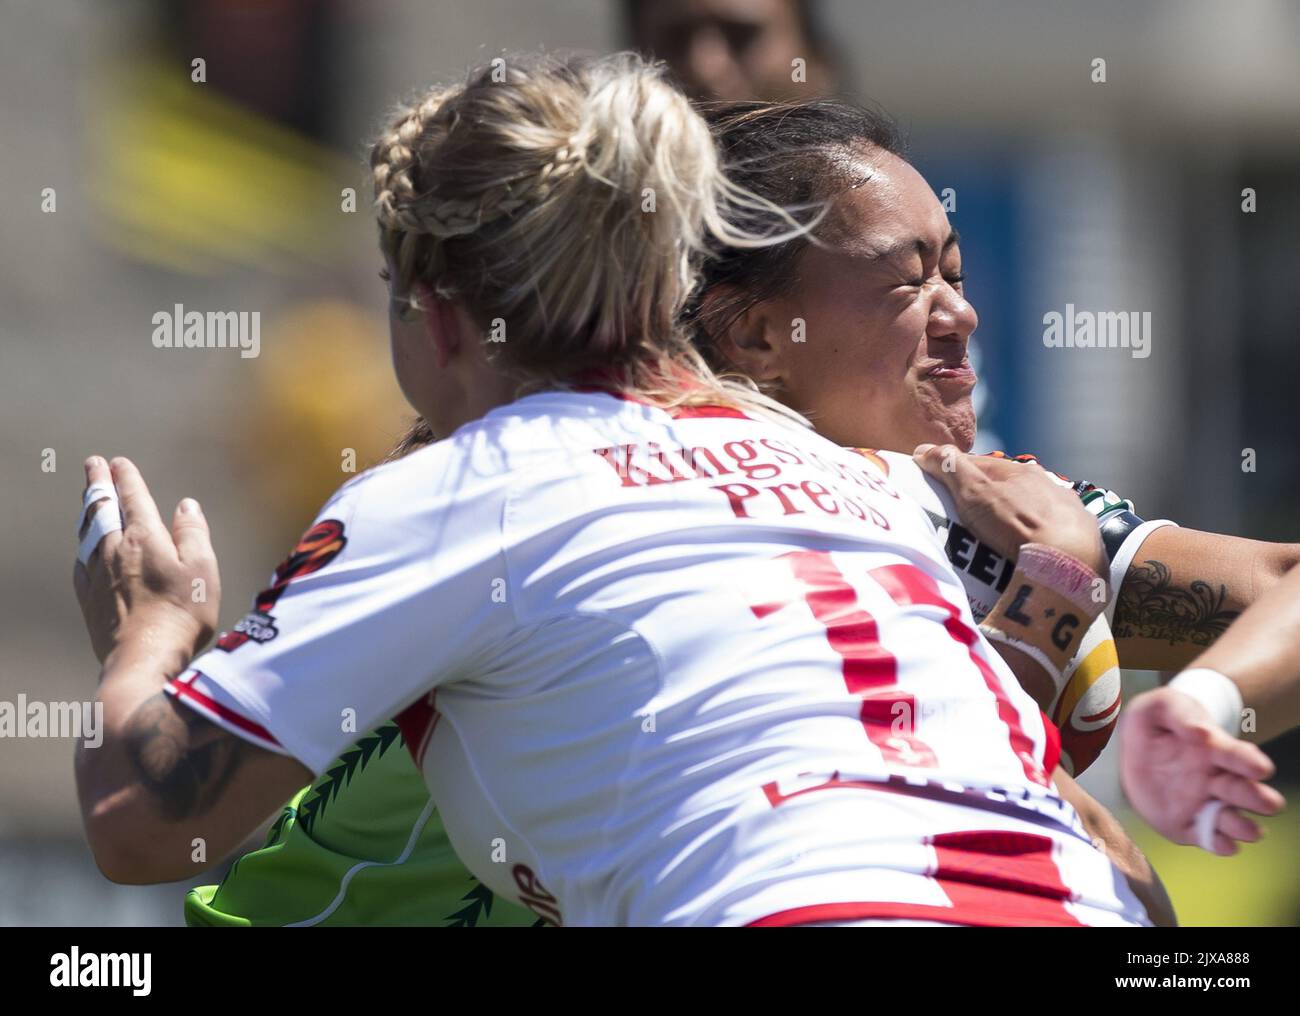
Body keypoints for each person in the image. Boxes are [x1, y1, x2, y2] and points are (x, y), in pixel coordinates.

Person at [73, 51, 1185, 927]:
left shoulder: (454, 493)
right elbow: (1105, 862)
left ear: (437, 307)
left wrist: (148, 633)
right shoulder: (873, 480)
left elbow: (145, 824)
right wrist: (1053, 586)